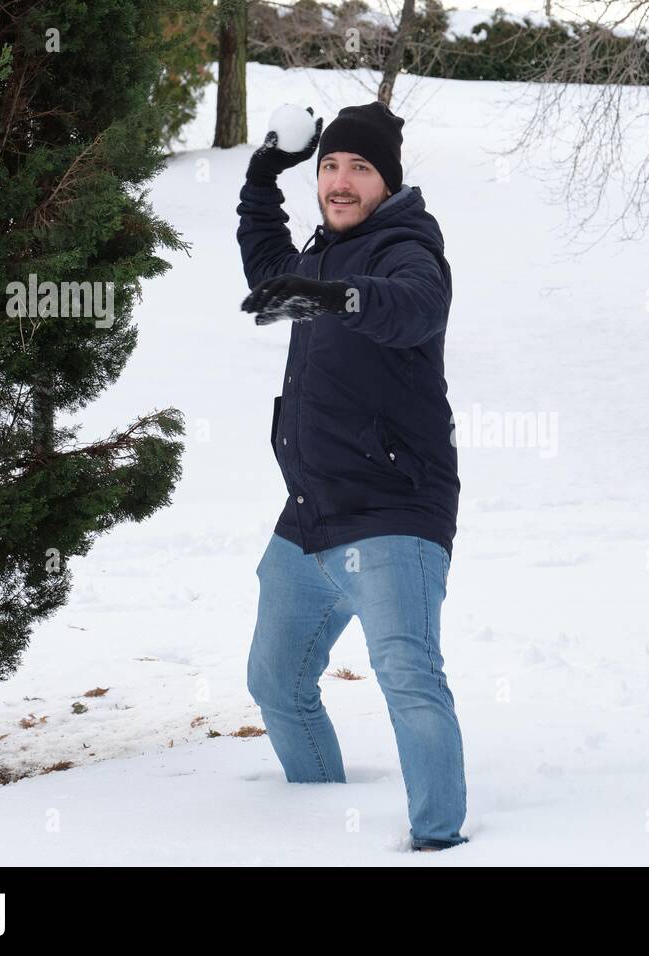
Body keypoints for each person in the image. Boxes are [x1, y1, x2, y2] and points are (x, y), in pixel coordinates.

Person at [236, 102, 468, 852]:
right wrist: (264, 172)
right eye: (330, 165)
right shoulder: (324, 251)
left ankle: (441, 840)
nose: (340, 181)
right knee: (276, 682)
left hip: (394, 508)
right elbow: (270, 266)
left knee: (408, 679)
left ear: (387, 182)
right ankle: (314, 824)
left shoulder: (407, 246)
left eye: (359, 168)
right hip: (311, 514)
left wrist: (340, 297)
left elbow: (414, 308)